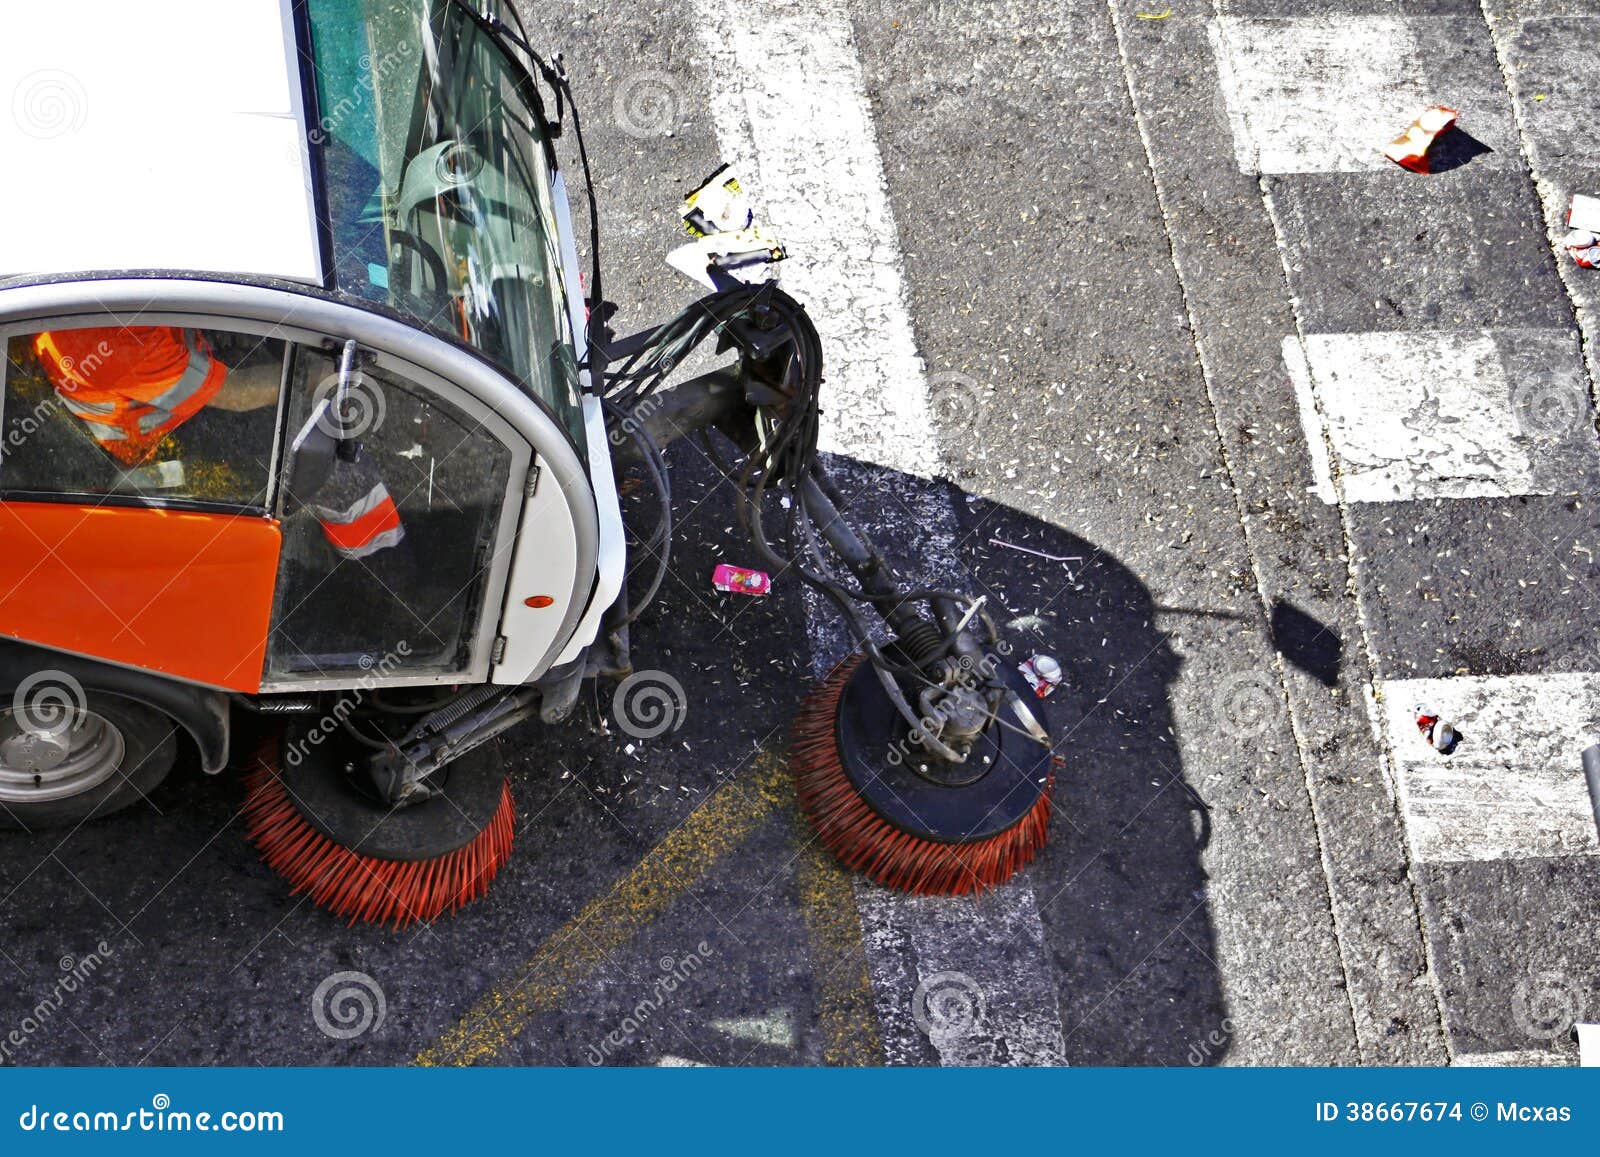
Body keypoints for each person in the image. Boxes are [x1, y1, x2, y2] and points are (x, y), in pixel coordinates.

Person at [33, 325, 404, 561]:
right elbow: (238, 394)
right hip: (165, 439)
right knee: (336, 474)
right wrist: (317, 375)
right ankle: (376, 554)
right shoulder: (120, 349)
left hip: (177, 371)